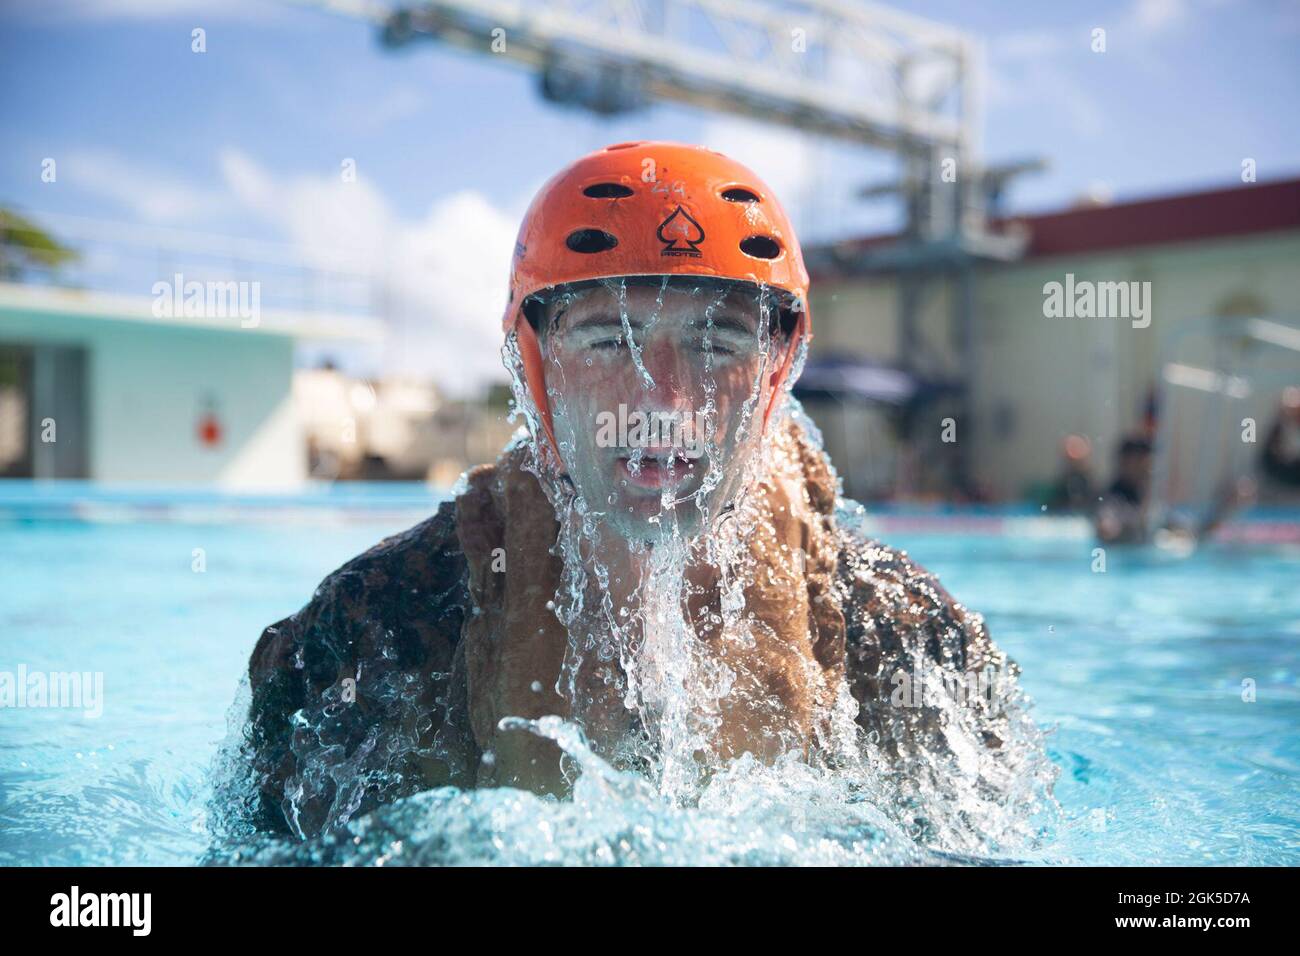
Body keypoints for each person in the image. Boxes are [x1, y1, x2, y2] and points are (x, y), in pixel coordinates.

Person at [239, 142, 1035, 840]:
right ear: (534, 361)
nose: (662, 400)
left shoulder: (906, 646)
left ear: (774, 371)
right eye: (609, 339)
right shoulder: (374, 637)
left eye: (716, 342)